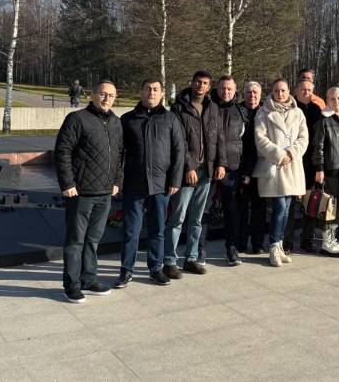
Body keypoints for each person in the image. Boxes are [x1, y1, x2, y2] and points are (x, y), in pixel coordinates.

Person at [54, 80, 123, 303]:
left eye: (111, 95)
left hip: (105, 192)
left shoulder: (116, 122)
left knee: (93, 240)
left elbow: (119, 155)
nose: (106, 98)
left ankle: (89, 279)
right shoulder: (77, 119)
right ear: (92, 94)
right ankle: (72, 285)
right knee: (75, 241)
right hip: (80, 193)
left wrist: (117, 181)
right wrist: (67, 183)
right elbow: (62, 151)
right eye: (102, 94)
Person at [114, 79, 185, 288]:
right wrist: (118, 181)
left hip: (160, 185)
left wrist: (175, 180)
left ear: (162, 93)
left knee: (157, 229)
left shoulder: (170, 118)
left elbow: (179, 151)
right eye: (147, 89)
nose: (151, 93)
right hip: (134, 184)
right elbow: (119, 153)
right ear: (141, 92)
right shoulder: (128, 119)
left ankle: (155, 268)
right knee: (131, 230)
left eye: (155, 90)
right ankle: (126, 270)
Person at [164, 71, 222, 279]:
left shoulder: (212, 107)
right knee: (178, 217)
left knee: (197, 218)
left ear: (209, 86)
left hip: (207, 171)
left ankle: (191, 258)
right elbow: (178, 141)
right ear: (192, 82)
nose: (201, 86)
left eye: (205, 83)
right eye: (198, 82)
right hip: (187, 171)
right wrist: (189, 167)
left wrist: (220, 164)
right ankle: (169, 261)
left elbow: (218, 137)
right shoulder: (179, 107)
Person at [254, 79, 309, 267]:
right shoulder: (264, 112)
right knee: (279, 208)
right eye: (277, 90)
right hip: (275, 166)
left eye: (283, 90)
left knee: (286, 210)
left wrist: (291, 153)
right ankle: (273, 247)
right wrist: (279, 155)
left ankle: (279, 245)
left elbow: (304, 138)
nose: (280, 94)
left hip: (292, 166)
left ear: (288, 91)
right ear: (272, 91)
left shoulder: (298, 112)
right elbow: (260, 139)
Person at [213, 75, 254, 266]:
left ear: (235, 90)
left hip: (233, 168)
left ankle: (232, 248)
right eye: (222, 88)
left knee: (232, 211)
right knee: (204, 212)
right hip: (210, 166)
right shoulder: (209, 108)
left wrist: (248, 170)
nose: (226, 92)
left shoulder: (241, 112)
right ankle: (199, 250)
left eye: (229, 88)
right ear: (217, 89)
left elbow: (248, 144)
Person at [311, 87, 339, 257]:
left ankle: (333, 239)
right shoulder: (324, 121)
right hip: (330, 171)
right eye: (332, 98)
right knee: (329, 207)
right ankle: (326, 242)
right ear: (327, 100)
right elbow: (318, 147)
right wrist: (319, 168)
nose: (337, 101)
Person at [289, 79, 324, 253]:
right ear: (296, 91)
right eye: (303, 89)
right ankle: (287, 241)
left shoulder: (318, 110)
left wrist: (319, 166)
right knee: (290, 204)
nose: (306, 92)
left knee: (311, 203)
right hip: (293, 160)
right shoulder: (290, 109)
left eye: (309, 90)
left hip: (311, 162)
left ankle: (307, 238)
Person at [238, 81, 267, 254]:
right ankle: (241, 242)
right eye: (249, 92)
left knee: (259, 208)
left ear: (260, 94)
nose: (252, 95)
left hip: (261, 166)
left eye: (255, 92)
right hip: (241, 166)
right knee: (241, 208)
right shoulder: (237, 110)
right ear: (244, 94)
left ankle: (258, 243)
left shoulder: (266, 111)